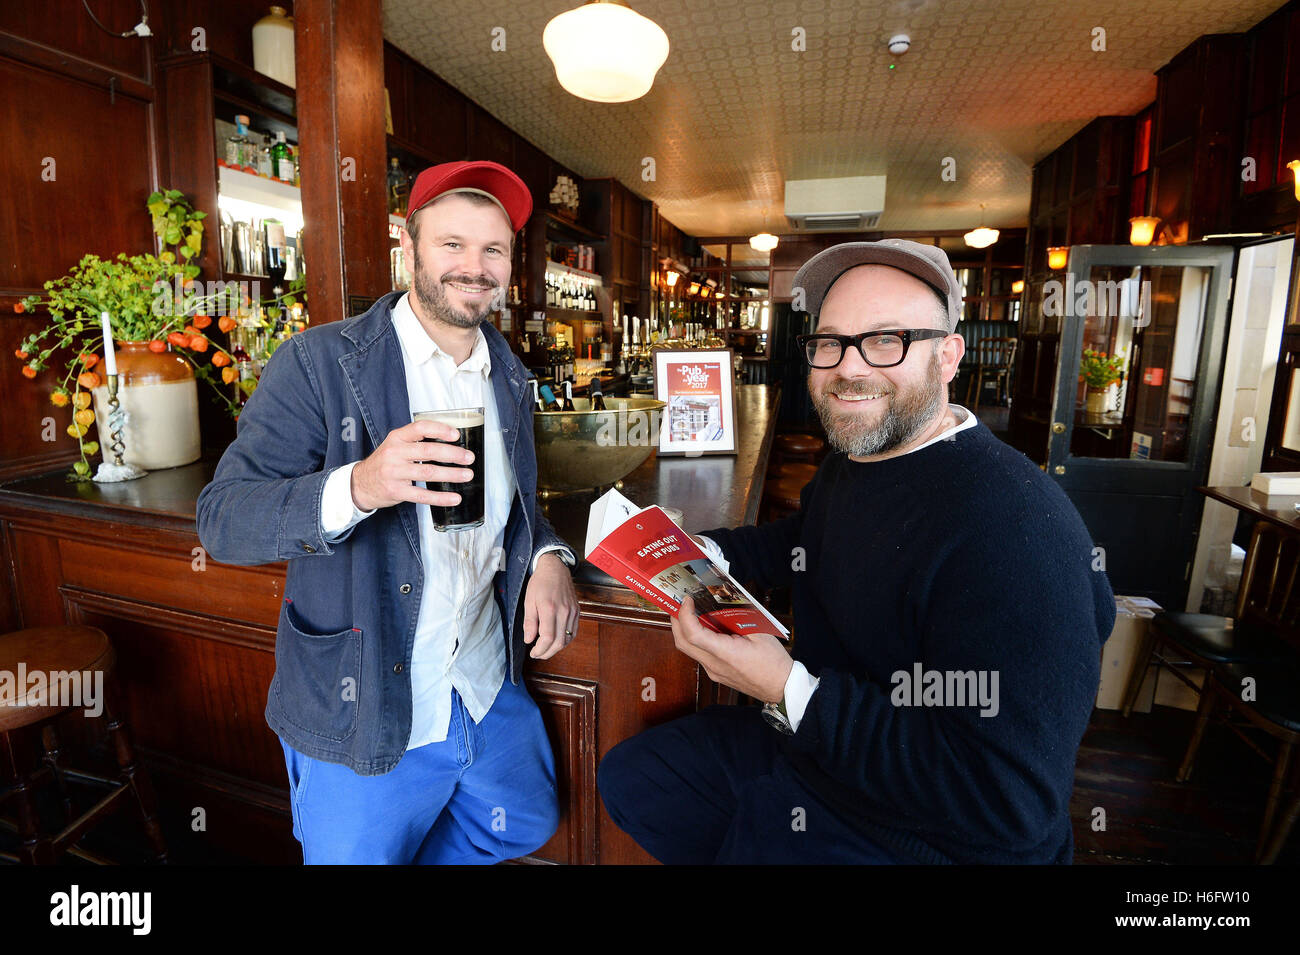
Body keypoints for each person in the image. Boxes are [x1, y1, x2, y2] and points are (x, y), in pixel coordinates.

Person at [597, 238, 1115, 864]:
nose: (850, 367)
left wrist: (788, 688)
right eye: (830, 342)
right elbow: (808, 540)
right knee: (636, 779)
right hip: (819, 750)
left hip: (926, 834)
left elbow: (1006, 803)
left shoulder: (1017, 532)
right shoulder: (863, 460)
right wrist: (703, 552)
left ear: (947, 357)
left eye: (886, 340)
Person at [196, 160, 579, 864]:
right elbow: (223, 519)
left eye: (492, 249)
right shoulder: (317, 362)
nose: (474, 266)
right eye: (453, 244)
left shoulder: (510, 375)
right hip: (368, 698)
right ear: (409, 244)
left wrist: (549, 552)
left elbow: (515, 500)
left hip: (484, 686)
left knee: (524, 822)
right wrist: (362, 485)